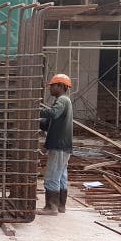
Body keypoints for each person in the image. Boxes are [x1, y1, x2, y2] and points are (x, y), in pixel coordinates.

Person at [39, 73, 73, 215]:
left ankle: (51, 207)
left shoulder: (62, 100)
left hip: (58, 145)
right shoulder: (65, 101)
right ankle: (60, 205)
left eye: (52, 86)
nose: (50, 89)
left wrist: (36, 110)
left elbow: (53, 113)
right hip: (64, 146)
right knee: (61, 175)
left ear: (60, 86)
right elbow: (49, 123)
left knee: (52, 175)